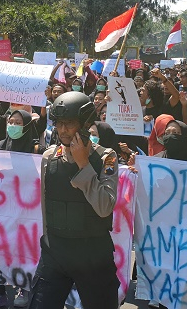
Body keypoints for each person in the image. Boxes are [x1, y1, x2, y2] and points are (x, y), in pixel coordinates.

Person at [27, 91, 119, 309]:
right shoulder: (50, 157)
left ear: (85, 124)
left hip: (93, 256)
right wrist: (48, 244)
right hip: (55, 254)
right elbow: (46, 207)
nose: (62, 130)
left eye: (69, 123)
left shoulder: (106, 157)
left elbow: (105, 206)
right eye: (59, 124)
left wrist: (83, 165)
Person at [0, 109, 40, 308]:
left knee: (23, 250)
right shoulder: (0, 146)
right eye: (11, 121)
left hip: (26, 211)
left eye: (18, 122)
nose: (13, 125)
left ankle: (23, 287)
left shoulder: (36, 149)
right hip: (2, 208)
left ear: (27, 126)